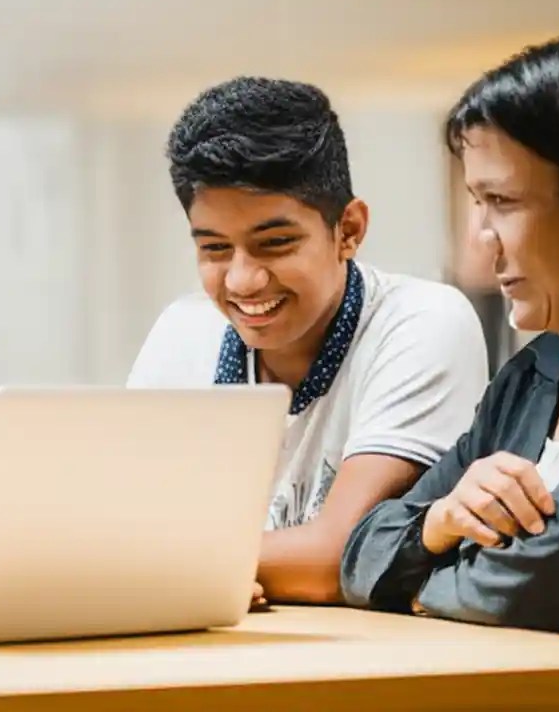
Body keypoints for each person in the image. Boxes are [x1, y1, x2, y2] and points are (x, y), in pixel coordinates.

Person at [340, 33, 559, 651]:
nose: (482, 237)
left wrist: (419, 589)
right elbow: (359, 555)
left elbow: (525, 592)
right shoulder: (534, 373)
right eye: (478, 202)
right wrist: (438, 524)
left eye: (502, 201)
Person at [127, 77, 489, 603]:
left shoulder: (422, 321)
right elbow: (116, 534)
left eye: (275, 244)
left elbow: (334, 560)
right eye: (214, 249)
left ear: (349, 229)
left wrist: (141, 567)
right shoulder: (182, 333)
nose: (243, 281)